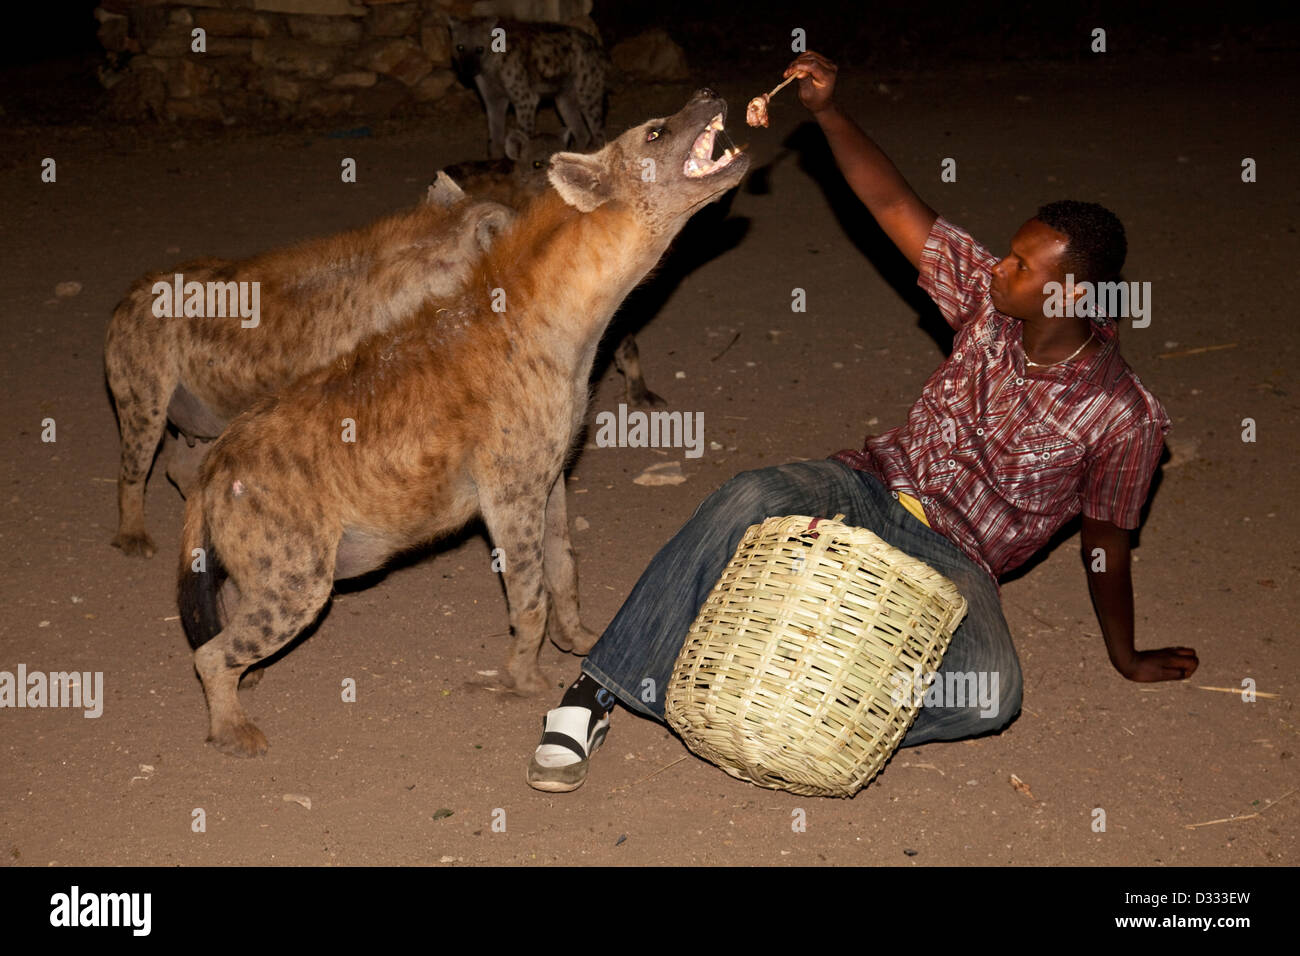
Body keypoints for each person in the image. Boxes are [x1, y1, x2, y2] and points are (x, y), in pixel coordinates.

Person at [526, 51, 1198, 793]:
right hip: (871, 487)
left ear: (1070, 295)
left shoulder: (1123, 416)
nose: (1000, 268)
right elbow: (891, 206)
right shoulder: (987, 303)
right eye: (1009, 254)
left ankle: (817, 709)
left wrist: (1127, 656)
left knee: (993, 693)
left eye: (1020, 266)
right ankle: (599, 691)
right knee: (750, 497)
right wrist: (827, 112)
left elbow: (1107, 546)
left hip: (958, 558)